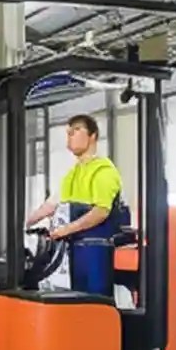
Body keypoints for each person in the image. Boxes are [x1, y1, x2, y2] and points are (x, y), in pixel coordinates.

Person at [26, 114, 127, 297]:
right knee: (76, 301)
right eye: (68, 132)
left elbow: (101, 212)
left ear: (93, 135)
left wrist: (66, 230)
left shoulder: (103, 170)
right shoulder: (71, 174)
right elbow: (50, 205)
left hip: (98, 251)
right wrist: (23, 224)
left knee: (95, 302)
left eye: (76, 130)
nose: (70, 136)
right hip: (75, 250)